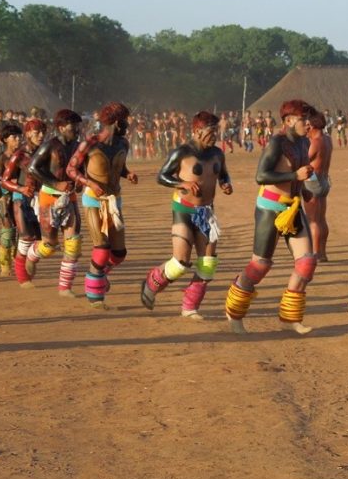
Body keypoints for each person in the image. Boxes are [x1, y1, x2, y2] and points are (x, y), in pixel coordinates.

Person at [225, 99, 317, 334]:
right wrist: (295, 175)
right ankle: (234, 313)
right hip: (270, 208)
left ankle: (289, 318)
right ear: (288, 121)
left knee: (307, 262)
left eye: (309, 119)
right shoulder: (276, 143)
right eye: (304, 119)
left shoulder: (304, 142)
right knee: (260, 265)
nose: (309, 124)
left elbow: (298, 174)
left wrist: (305, 188)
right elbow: (261, 176)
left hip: (293, 208)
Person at [141, 111, 232, 319]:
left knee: (208, 263)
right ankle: (151, 282)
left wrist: (226, 183)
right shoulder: (181, 153)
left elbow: (224, 173)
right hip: (183, 209)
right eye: (211, 131)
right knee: (180, 262)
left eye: (216, 131)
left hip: (207, 211)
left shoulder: (218, 153)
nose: (215, 135)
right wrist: (182, 183)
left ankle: (190, 307)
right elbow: (162, 176)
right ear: (197, 131)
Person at [67, 103, 138, 310]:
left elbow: (120, 167)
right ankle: (95, 296)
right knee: (101, 247)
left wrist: (128, 174)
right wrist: (89, 183)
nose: (128, 124)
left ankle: (96, 275)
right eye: (125, 120)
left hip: (114, 200)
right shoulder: (90, 144)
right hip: (93, 200)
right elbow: (71, 169)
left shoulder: (123, 144)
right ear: (117, 122)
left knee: (118, 253)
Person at [26, 109, 84, 296]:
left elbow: (80, 167)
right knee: (49, 245)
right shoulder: (50, 145)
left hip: (70, 198)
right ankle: (32, 254)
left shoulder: (77, 146)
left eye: (78, 127)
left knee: (73, 242)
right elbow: (33, 168)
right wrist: (56, 183)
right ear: (61, 127)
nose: (77, 130)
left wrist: (80, 182)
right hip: (49, 197)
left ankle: (65, 287)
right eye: (73, 127)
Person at [0, 118, 46, 287]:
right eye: (37, 132)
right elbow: (4, 180)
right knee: (26, 236)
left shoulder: (46, 153)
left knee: (42, 241)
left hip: (40, 199)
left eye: (43, 132)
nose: (41, 135)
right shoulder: (19, 155)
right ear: (28, 134)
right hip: (21, 200)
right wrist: (20, 189)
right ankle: (22, 277)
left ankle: (30, 261)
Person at [302, 109, 333, 262]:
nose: (306, 128)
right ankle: (322, 253)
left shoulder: (315, 143)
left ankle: (315, 252)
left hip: (312, 183)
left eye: (308, 125)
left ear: (313, 125)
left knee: (312, 220)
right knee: (321, 219)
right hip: (324, 180)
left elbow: (303, 161)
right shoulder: (327, 139)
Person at [0, 122, 23, 276]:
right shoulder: (2, 158)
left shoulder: (23, 156)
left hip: (22, 196)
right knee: (7, 229)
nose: (18, 139)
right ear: (5, 139)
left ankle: (18, 262)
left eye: (19, 136)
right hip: (5, 196)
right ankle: (5, 265)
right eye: (14, 137)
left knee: (22, 230)